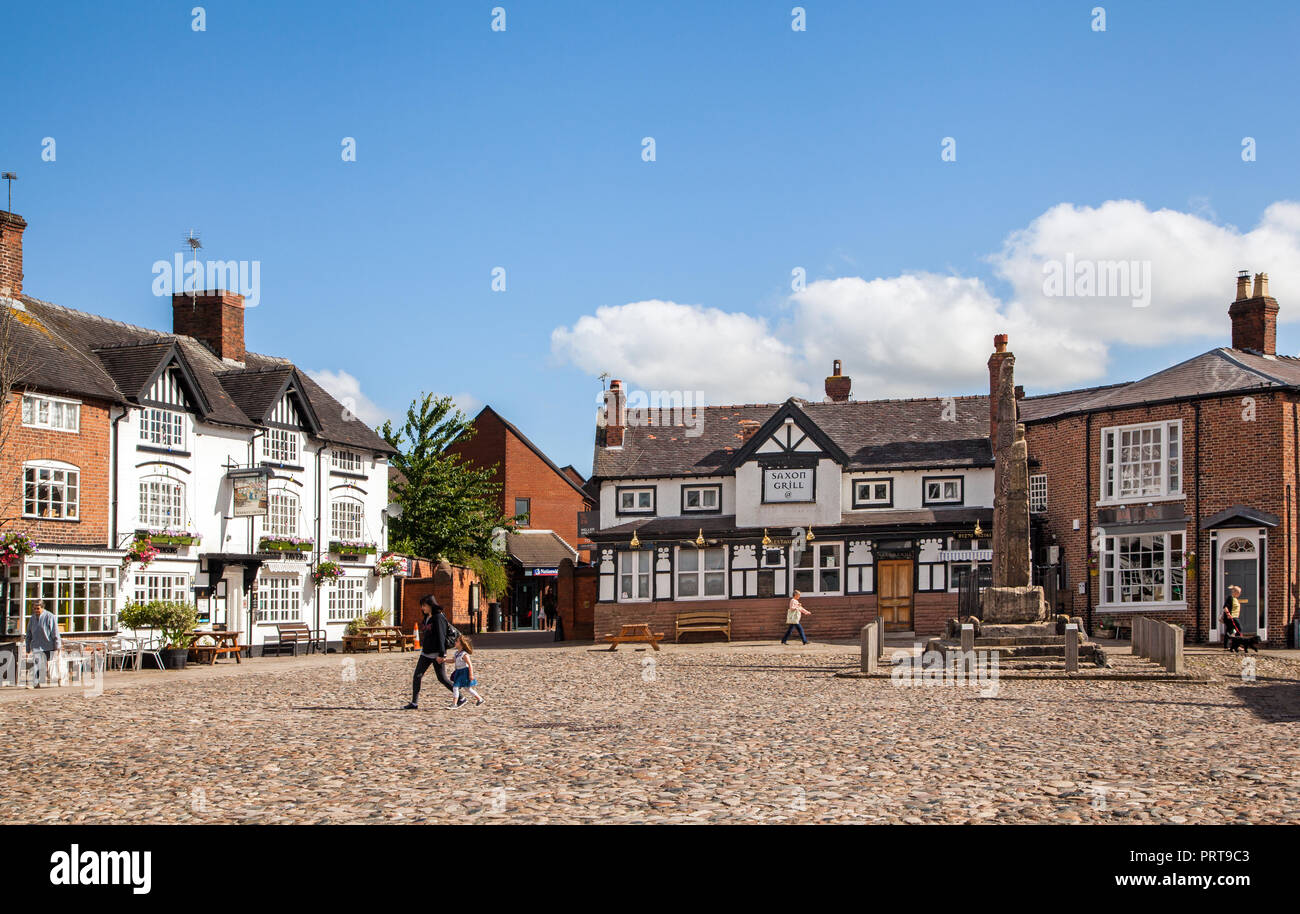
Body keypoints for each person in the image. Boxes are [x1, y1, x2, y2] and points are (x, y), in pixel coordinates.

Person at [403, 596, 455, 709]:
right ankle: (414, 702)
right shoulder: (427, 617)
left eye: (424, 606)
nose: (422, 608)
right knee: (417, 676)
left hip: (437, 653)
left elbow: (441, 636)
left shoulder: (438, 617)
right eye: (422, 606)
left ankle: (460, 697)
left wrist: (442, 654)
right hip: (426, 653)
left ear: (431, 605)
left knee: (442, 678)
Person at [25, 601, 61, 688]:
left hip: (48, 645)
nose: (36, 610)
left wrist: (57, 645)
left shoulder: (50, 616)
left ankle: (59, 678)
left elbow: (55, 632)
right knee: (36, 664)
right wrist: (27, 647)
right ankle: (36, 683)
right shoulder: (32, 618)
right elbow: (29, 633)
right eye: (34, 609)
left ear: (42, 608)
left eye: (38, 608)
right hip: (36, 646)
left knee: (51, 664)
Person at [441, 634, 484, 708]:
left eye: (457, 642)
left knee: (455, 687)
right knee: (467, 688)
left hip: (464, 672)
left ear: (461, 644)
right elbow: (453, 660)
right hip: (458, 672)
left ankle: (454, 704)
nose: (455, 643)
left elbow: (470, 664)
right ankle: (480, 699)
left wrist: (471, 675)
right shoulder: (457, 653)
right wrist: (444, 660)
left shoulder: (464, 654)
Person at [1221, 584, 1244, 649]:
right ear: (1234, 592)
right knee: (1239, 629)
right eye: (1238, 592)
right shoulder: (1230, 598)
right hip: (1232, 617)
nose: (1240, 593)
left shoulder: (1235, 599)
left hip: (1234, 617)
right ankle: (1237, 645)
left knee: (1229, 631)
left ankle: (1227, 646)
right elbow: (1225, 607)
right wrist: (1228, 614)